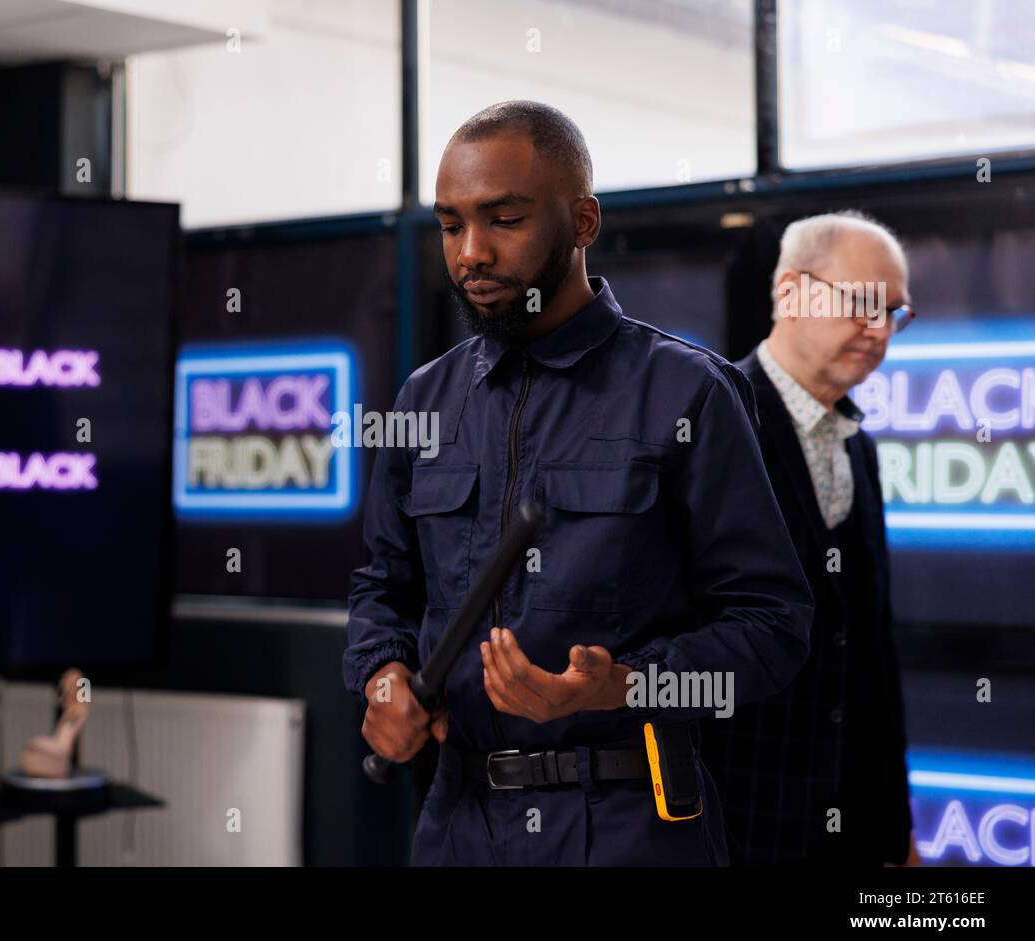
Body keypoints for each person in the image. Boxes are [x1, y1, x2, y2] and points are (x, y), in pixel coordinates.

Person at [343, 100, 813, 865]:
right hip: (455, 823)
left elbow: (774, 629)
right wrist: (381, 678)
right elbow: (381, 587)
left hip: (631, 826)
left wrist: (622, 687)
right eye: (452, 225)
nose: (470, 253)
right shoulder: (423, 400)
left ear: (584, 222)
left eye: (504, 220)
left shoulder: (688, 392)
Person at [699, 211, 919, 865]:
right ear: (790, 292)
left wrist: (893, 827)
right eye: (862, 303)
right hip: (733, 827)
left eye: (895, 313)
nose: (879, 329)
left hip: (849, 833)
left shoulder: (861, 451)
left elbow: (872, 655)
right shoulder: (710, 422)